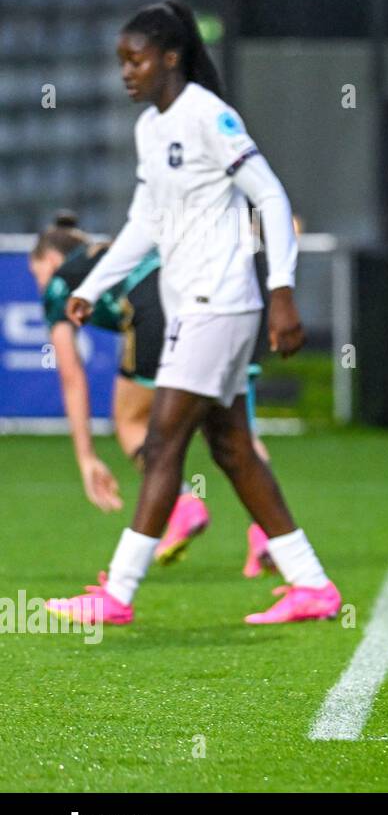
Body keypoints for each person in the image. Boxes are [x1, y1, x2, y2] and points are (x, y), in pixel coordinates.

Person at [45, 0, 337, 626]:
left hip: (221, 301)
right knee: (231, 448)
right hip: (193, 308)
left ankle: (117, 594)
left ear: (170, 58)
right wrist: (94, 286)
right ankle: (312, 586)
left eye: (137, 59)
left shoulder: (210, 116)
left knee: (162, 440)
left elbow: (270, 193)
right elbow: (144, 221)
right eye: (122, 61)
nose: (126, 72)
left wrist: (282, 289)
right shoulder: (150, 128)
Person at [30, 212, 278, 577]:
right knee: (234, 430)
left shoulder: (60, 282)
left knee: (132, 421)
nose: (39, 282)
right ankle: (267, 533)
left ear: (50, 259)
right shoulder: (113, 249)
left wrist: (86, 457)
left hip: (158, 311)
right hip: (214, 302)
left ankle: (182, 504)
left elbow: (72, 377)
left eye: (36, 272)